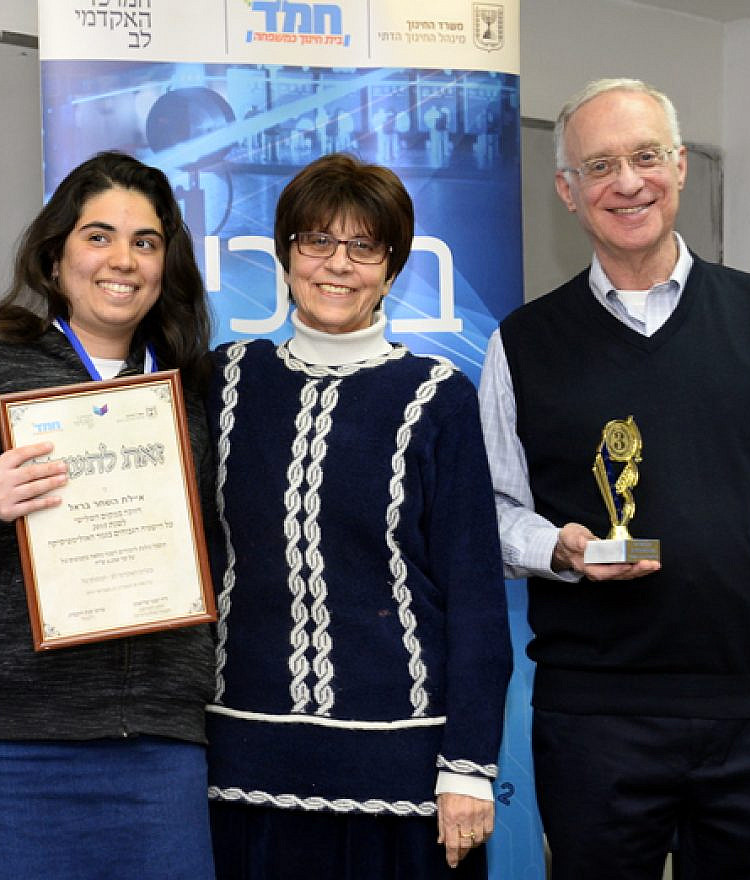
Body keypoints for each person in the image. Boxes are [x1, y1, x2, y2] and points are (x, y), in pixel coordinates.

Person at [478, 78, 750, 879]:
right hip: (594, 720)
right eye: (599, 165)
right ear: (568, 190)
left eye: (646, 156)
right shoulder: (521, 344)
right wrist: (557, 547)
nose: (628, 182)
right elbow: (490, 508)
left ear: (681, 165)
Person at [0, 151, 216, 880]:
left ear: (166, 265)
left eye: (145, 242)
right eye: (98, 236)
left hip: (159, 746)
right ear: (55, 255)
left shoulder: (196, 388)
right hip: (5, 747)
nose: (122, 260)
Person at [205, 152, 512, 879]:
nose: (338, 264)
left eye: (364, 246)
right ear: (286, 255)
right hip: (242, 764)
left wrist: (468, 767)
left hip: (404, 775)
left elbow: (475, 597)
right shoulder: (223, 381)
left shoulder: (439, 397)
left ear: (392, 268)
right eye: (318, 240)